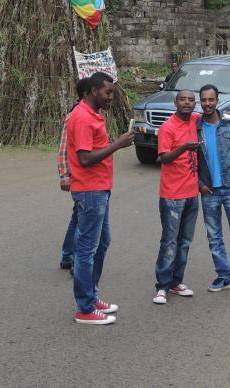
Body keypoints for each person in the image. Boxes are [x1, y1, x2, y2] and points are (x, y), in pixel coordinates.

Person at [65, 72, 134, 325]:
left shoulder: (95, 115)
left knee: (102, 243)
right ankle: (84, 308)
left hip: (100, 188)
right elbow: (84, 159)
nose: (111, 98)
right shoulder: (82, 118)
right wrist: (117, 144)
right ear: (94, 91)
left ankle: (91, 297)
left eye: (112, 93)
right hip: (90, 190)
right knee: (86, 249)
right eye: (108, 93)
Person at [197, 85, 230, 299]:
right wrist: (199, 183)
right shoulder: (196, 126)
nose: (207, 103)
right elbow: (193, 160)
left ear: (217, 100)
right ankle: (223, 276)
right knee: (214, 237)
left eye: (211, 99)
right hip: (208, 191)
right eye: (204, 100)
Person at [152, 89, 201, 306]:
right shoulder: (167, 128)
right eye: (183, 100)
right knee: (170, 242)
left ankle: (176, 282)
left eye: (191, 100)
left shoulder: (195, 121)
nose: (187, 103)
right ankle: (162, 286)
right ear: (175, 103)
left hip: (192, 193)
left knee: (185, 242)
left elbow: (216, 113)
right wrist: (184, 147)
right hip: (172, 195)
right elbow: (164, 158)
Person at [57, 76, 94, 272]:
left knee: (78, 216)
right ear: (88, 93)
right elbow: (64, 148)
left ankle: (68, 255)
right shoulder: (76, 116)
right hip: (81, 178)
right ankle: (76, 259)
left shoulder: (91, 114)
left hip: (88, 179)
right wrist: (64, 175)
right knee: (84, 219)